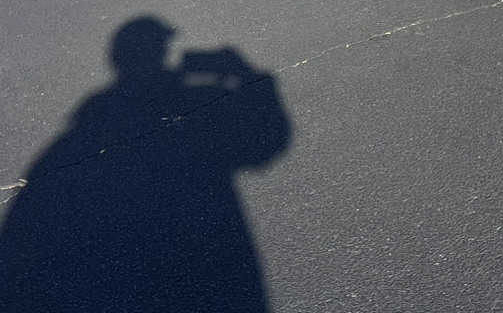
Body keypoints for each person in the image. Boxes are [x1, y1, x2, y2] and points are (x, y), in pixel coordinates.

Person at [0, 16, 292, 312]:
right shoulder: (193, 106)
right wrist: (248, 75)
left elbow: (25, 242)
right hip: (207, 269)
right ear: (159, 54)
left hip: (129, 283)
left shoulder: (78, 139)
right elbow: (267, 141)